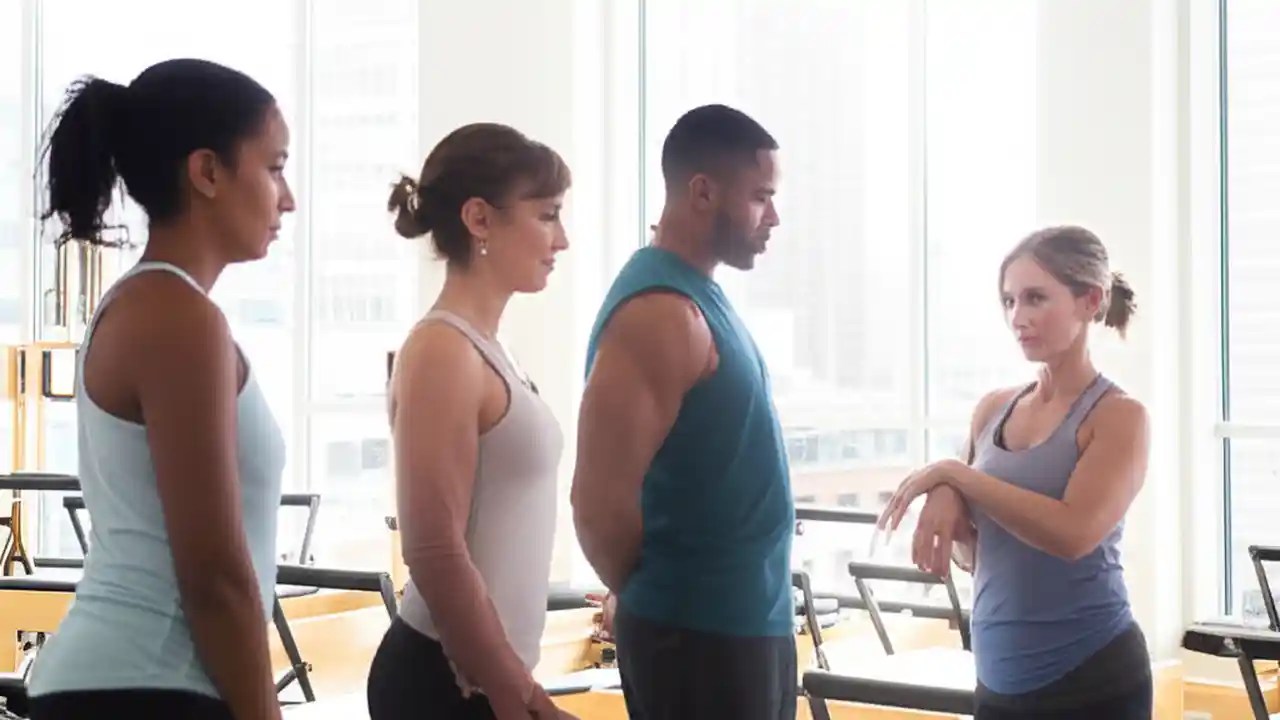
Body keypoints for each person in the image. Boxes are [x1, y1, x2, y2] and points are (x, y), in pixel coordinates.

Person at [26, 59, 295, 720]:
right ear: (206, 172)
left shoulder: (161, 308)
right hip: (146, 685)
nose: (287, 198)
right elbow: (214, 573)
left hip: (137, 681)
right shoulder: (177, 318)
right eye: (275, 166)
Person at [572, 104, 794, 720]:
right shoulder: (660, 312)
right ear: (702, 192)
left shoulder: (702, 297)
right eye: (760, 196)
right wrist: (655, 593)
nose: (772, 216)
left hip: (746, 627)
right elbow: (597, 508)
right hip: (695, 634)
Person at [879, 225, 1151, 718]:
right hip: (997, 676)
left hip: (1091, 674)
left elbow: (1073, 534)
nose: (1017, 317)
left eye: (1035, 299)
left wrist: (954, 474)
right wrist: (948, 499)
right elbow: (977, 554)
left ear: (1090, 301)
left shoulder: (1119, 416)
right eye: (1008, 301)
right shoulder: (992, 410)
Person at [369, 123, 578, 720]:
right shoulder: (443, 351)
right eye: (547, 216)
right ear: (480, 219)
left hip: (479, 678)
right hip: (444, 681)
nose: (561, 240)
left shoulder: (486, 349)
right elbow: (434, 548)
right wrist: (512, 686)